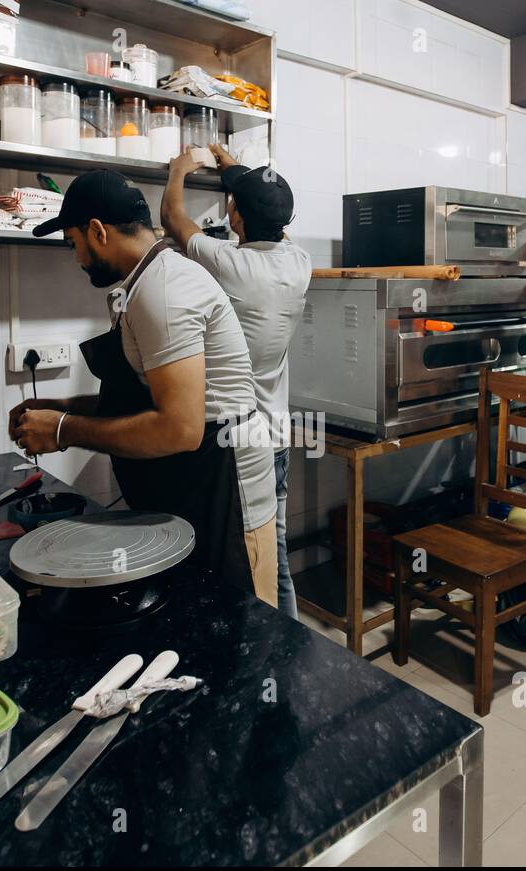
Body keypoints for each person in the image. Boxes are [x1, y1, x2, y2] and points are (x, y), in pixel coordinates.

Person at [8, 170, 278, 606]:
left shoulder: (165, 291)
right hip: (195, 474)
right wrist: (57, 408)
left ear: (97, 231)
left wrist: (65, 429)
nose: (76, 258)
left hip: (223, 482)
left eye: (73, 242)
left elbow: (179, 428)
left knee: (242, 626)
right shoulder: (145, 283)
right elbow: (143, 399)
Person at [159, 143, 311, 620]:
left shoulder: (227, 261)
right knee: (275, 553)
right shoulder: (298, 262)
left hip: (239, 441)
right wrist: (234, 173)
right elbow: (265, 218)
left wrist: (179, 171)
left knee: (245, 562)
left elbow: (172, 220)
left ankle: (263, 650)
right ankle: (287, 652)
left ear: (235, 216)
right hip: (278, 435)